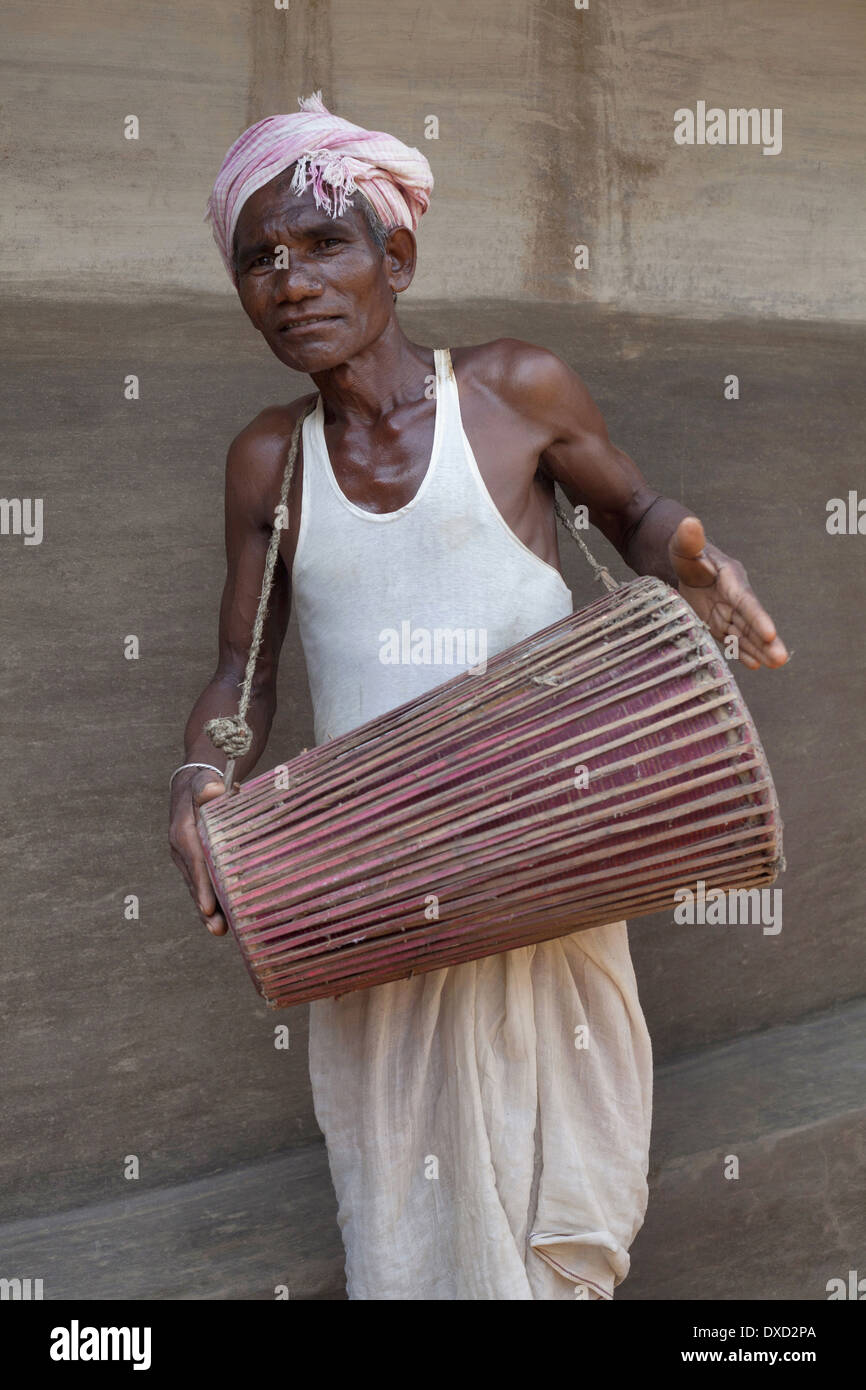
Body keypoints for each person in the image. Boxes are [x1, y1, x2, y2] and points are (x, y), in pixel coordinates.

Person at [169, 93, 788, 1300]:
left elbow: (635, 516)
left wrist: (701, 565)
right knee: (409, 1209)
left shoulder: (511, 391)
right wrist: (202, 776)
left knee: (566, 1200)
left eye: (323, 244)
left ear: (394, 257)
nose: (290, 281)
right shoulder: (268, 461)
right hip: (379, 897)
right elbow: (238, 671)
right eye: (260, 259)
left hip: (554, 860)